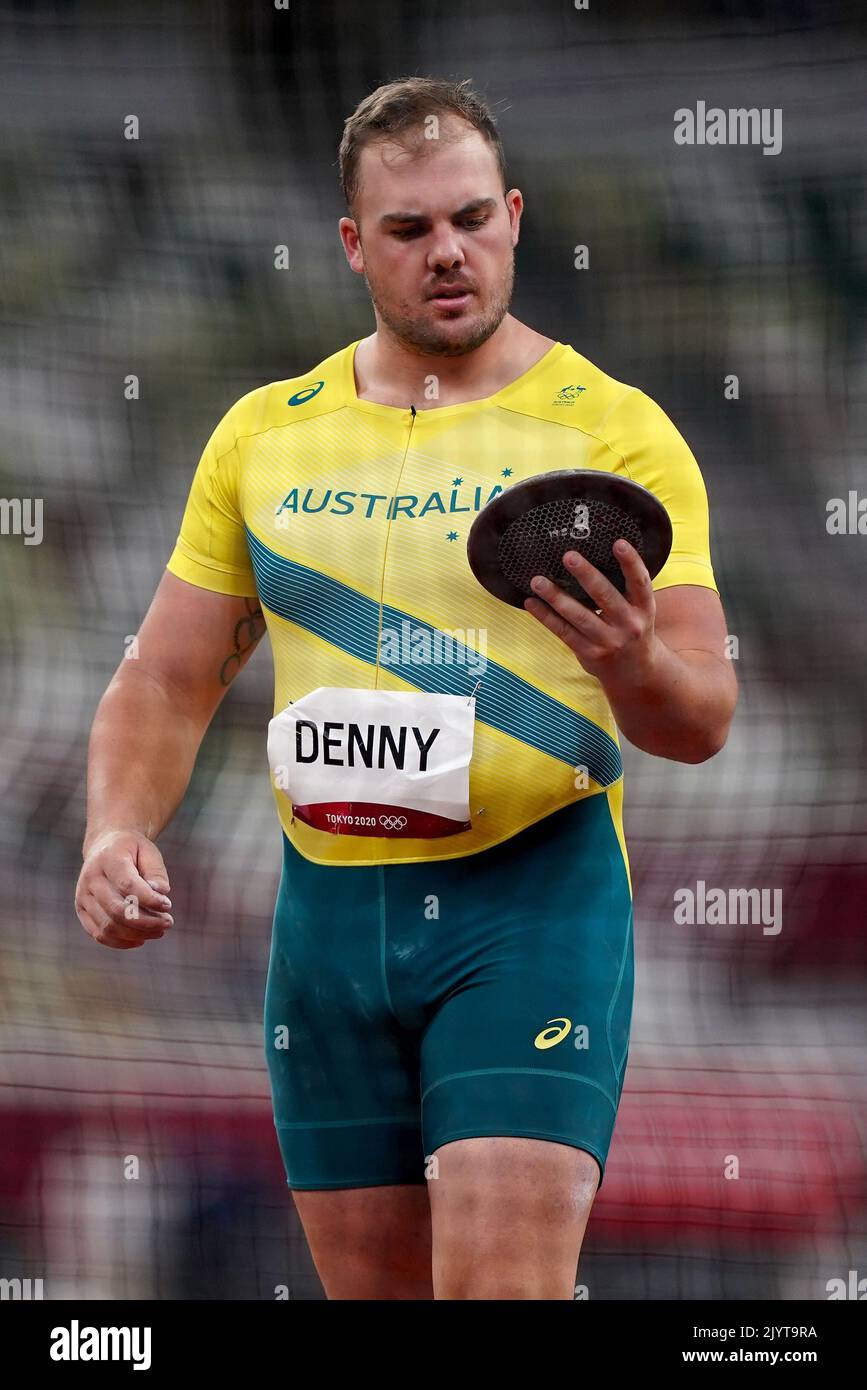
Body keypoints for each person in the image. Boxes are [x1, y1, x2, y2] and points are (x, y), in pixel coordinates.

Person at [75, 76, 738, 1300]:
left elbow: (699, 718)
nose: (450, 253)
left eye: (473, 220)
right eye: (411, 229)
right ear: (351, 244)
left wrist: (633, 660)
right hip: (326, 927)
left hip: (531, 907)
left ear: (518, 218)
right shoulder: (265, 436)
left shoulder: (619, 434)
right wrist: (118, 826)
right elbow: (164, 680)